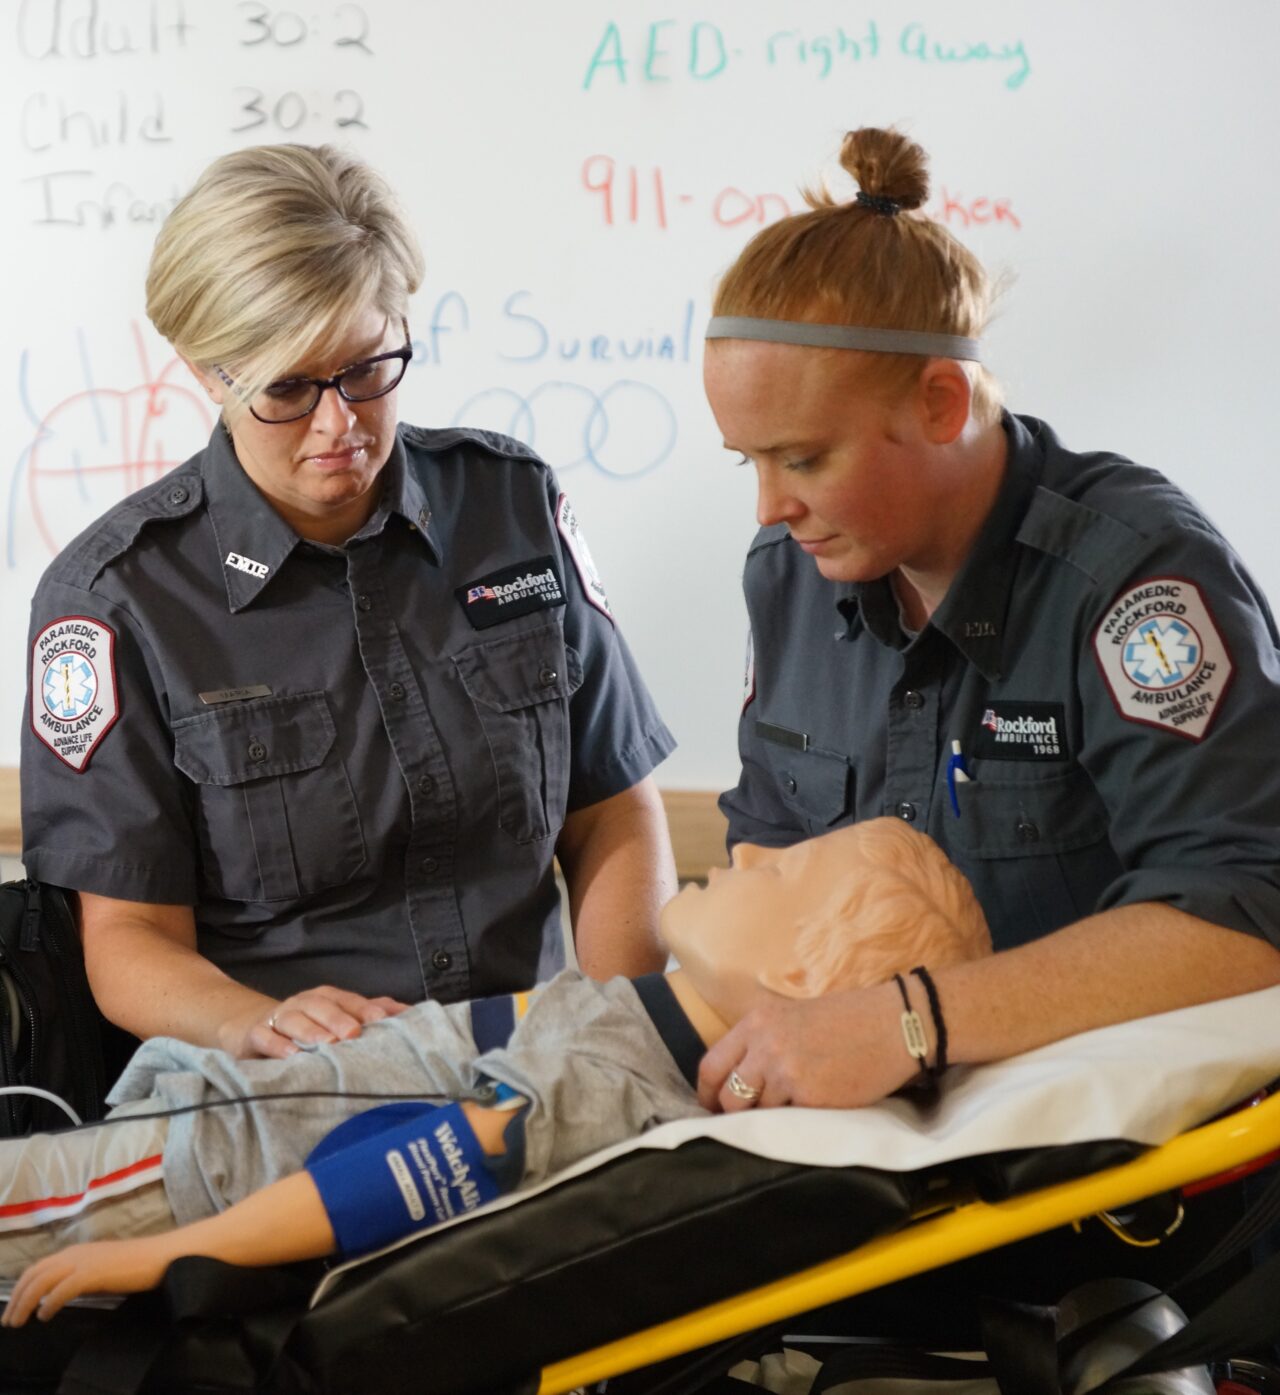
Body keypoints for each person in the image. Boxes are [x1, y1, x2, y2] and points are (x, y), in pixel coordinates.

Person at [20, 143, 677, 1061]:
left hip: (535, 1063)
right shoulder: (114, 600)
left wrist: (621, 1033)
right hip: (291, 1087)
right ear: (208, 371)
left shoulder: (510, 507)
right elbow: (130, 944)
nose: (341, 425)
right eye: (289, 387)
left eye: (369, 369)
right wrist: (255, 1023)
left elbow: (615, 813)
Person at [699, 126, 1280, 1116]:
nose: (768, 508)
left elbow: (1249, 912)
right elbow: (768, 865)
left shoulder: (1133, 584)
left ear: (938, 402)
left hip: (1115, 1191)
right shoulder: (787, 574)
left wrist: (908, 1019)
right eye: (743, 461)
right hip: (863, 1159)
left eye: (799, 460)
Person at [0, 818, 991, 1324]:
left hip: (202, 1173)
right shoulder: (625, 1023)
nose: (747, 844)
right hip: (211, 1118)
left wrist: (170, 1254)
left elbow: (386, 1181)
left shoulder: (604, 1080)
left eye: (780, 873)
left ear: (802, 977)